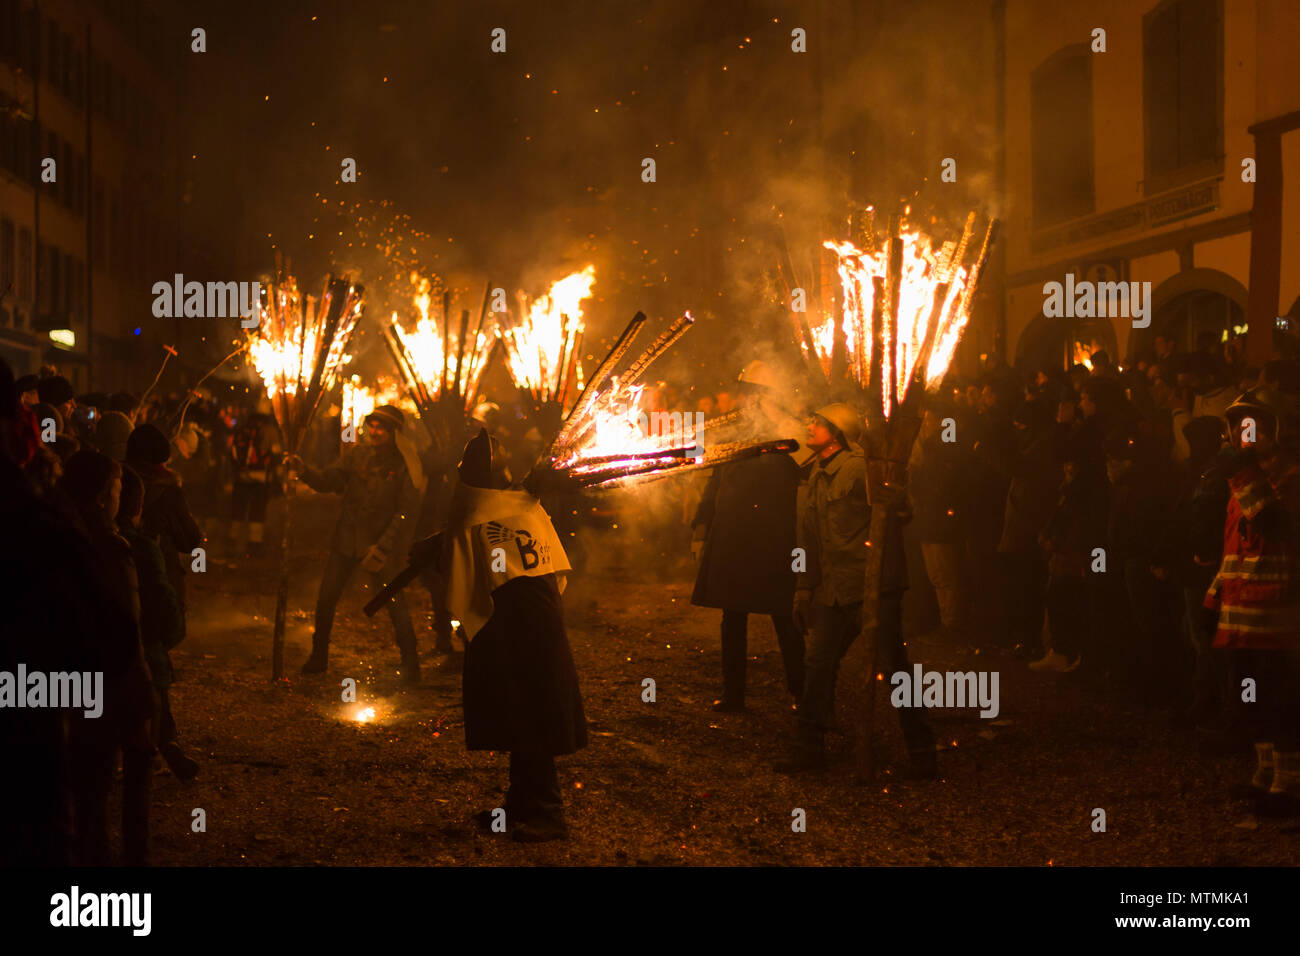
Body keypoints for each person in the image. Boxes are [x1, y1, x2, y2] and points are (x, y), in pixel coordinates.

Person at [409, 428, 587, 841]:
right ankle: (519, 804)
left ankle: (549, 814)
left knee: (532, 712)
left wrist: (439, 549)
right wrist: (441, 542)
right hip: (519, 621)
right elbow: (471, 535)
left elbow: (462, 563)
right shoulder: (518, 502)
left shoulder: (490, 510)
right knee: (518, 712)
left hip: (524, 622)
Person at [776, 403, 936, 777]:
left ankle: (923, 752)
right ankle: (809, 748)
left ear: (838, 431)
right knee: (817, 664)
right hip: (835, 590)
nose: (809, 424)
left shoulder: (863, 467)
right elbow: (807, 542)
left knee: (895, 668)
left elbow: (902, 509)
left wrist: (896, 499)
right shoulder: (814, 475)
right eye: (810, 418)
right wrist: (803, 588)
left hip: (872, 587)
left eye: (818, 422)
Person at [690, 362, 805, 711]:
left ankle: (803, 695)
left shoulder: (789, 432)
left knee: (785, 618)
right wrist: (701, 526)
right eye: (745, 391)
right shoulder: (734, 432)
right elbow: (716, 481)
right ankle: (734, 695)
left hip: (773, 541)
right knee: (733, 618)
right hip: (733, 539)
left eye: (752, 391)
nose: (745, 397)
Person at [1204, 389, 1300, 808]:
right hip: (1242, 616)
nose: (1242, 436)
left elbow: (1276, 524)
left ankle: (1289, 783)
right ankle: (1264, 774)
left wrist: (1245, 476)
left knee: (1281, 699)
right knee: (1253, 698)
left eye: (1250, 426)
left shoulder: (1291, 477)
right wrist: (1214, 595)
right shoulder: (1241, 478)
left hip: (1277, 618)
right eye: (1236, 428)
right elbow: (1234, 546)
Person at [59, 450, 155, 866]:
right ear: (102, 496)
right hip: (105, 694)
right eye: (116, 488)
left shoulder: (57, 533)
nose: (121, 496)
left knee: (80, 801)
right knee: (107, 797)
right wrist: (139, 704)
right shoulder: (109, 550)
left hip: (64, 692)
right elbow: (124, 633)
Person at [294, 405, 421, 681]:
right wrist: (303, 471)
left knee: (393, 601)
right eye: (372, 426)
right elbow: (330, 481)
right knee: (326, 598)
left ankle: (411, 663)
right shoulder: (358, 454)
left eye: (382, 428)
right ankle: (319, 657)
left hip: (379, 546)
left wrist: (383, 547)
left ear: (394, 433)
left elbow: (405, 511)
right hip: (347, 539)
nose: (374, 432)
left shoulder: (404, 464)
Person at [118, 466, 199, 780]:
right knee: (150, 675)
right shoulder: (140, 546)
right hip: (141, 636)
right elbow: (190, 540)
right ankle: (159, 745)